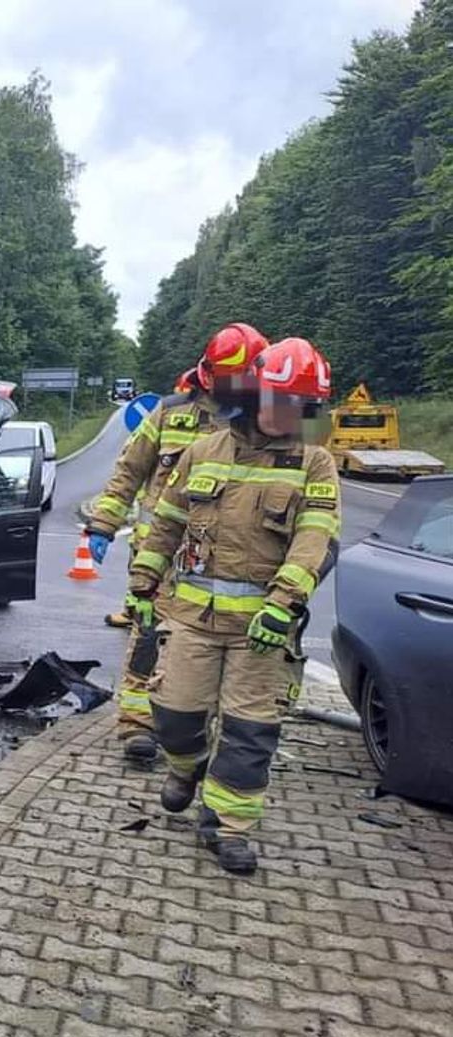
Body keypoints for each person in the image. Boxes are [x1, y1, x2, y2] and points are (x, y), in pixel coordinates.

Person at [127, 336, 338, 875]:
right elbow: (168, 522)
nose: (283, 414)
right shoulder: (204, 451)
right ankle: (188, 768)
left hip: (260, 631)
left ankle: (228, 826)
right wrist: (145, 576)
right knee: (174, 717)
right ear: (253, 394)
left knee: (249, 732)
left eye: (298, 405)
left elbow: (315, 539)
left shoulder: (314, 462)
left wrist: (284, 604)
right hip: (192, 619)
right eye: (276, 400)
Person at [85, 323, 268, 763]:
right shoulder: (169, 414)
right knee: (148, 634)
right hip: (159, 556)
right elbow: (128, 472)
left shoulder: (267, 421)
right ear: (207, 374)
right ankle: (136, 727)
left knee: (217, 646)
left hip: (228, 561)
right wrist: (103, 525)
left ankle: (200, 729)